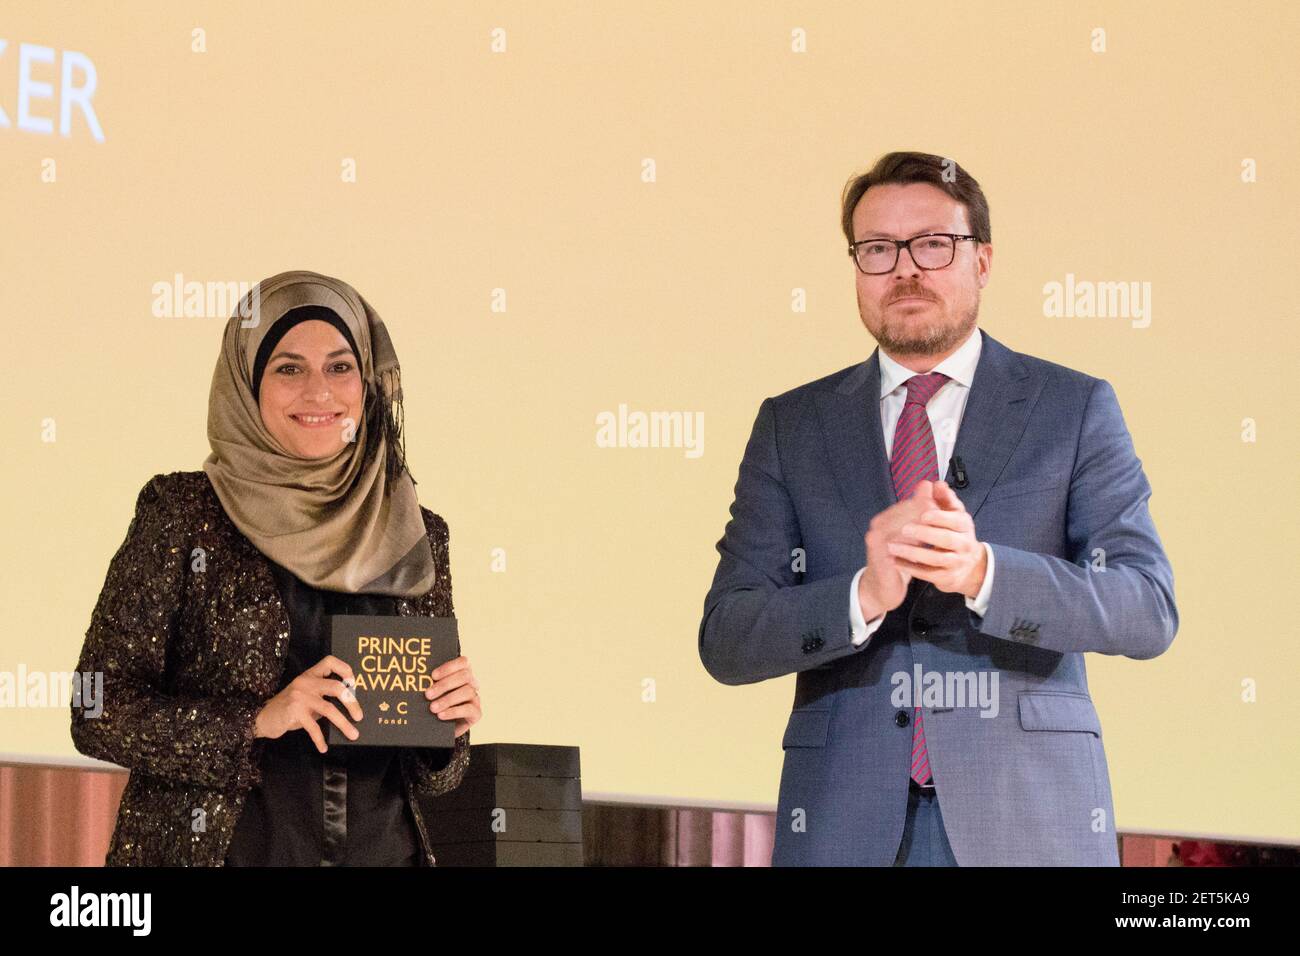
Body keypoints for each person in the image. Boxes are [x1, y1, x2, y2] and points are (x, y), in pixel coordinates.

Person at [698, 152, 1178, 866]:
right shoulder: (792, 426)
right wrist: (861, 595)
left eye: (933, 244)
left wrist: (984, 572)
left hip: (1026, 823)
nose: (905, 269)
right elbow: (728, 638)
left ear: (982, 260)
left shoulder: (1071, 408)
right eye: (877, 249)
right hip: (843, 826)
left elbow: (1145, 607)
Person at [70, 269, 482, 866]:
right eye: (289, 368)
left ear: (366, 383)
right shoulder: (185, 515)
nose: (319, 392)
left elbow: (432, 776)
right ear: (247, 383)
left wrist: (449, 730)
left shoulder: (415, 531)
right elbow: (95, 708)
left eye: (341, 367)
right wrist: (258, 718)